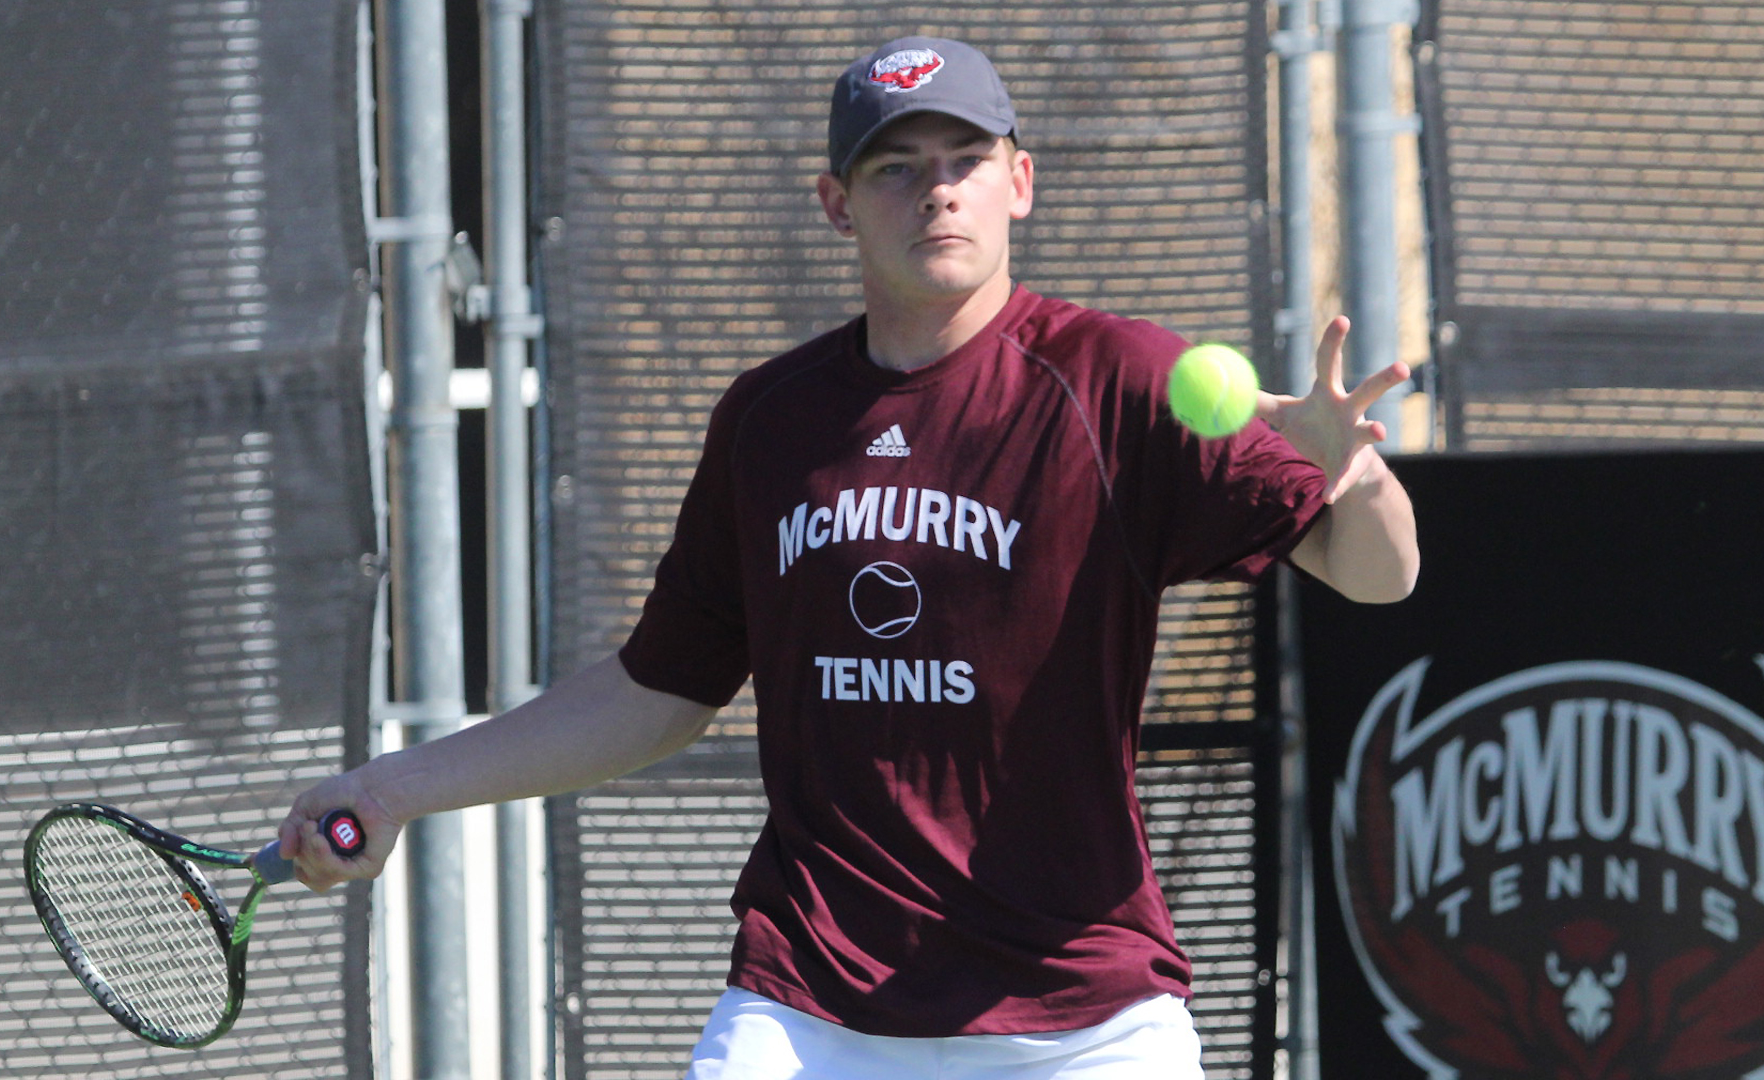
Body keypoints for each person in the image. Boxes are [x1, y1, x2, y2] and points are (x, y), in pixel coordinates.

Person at [281, 35, 1418, 1078]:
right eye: (894, 167)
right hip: (811, 1008)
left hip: (1081, 1019)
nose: (937, 189)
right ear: (836, 203)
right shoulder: (772, 420)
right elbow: (657, 692)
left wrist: (1351, 469)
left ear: (1019, 181)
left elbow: (1384, 574)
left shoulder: (1118, 380)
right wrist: (390, 789)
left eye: (966, 157)